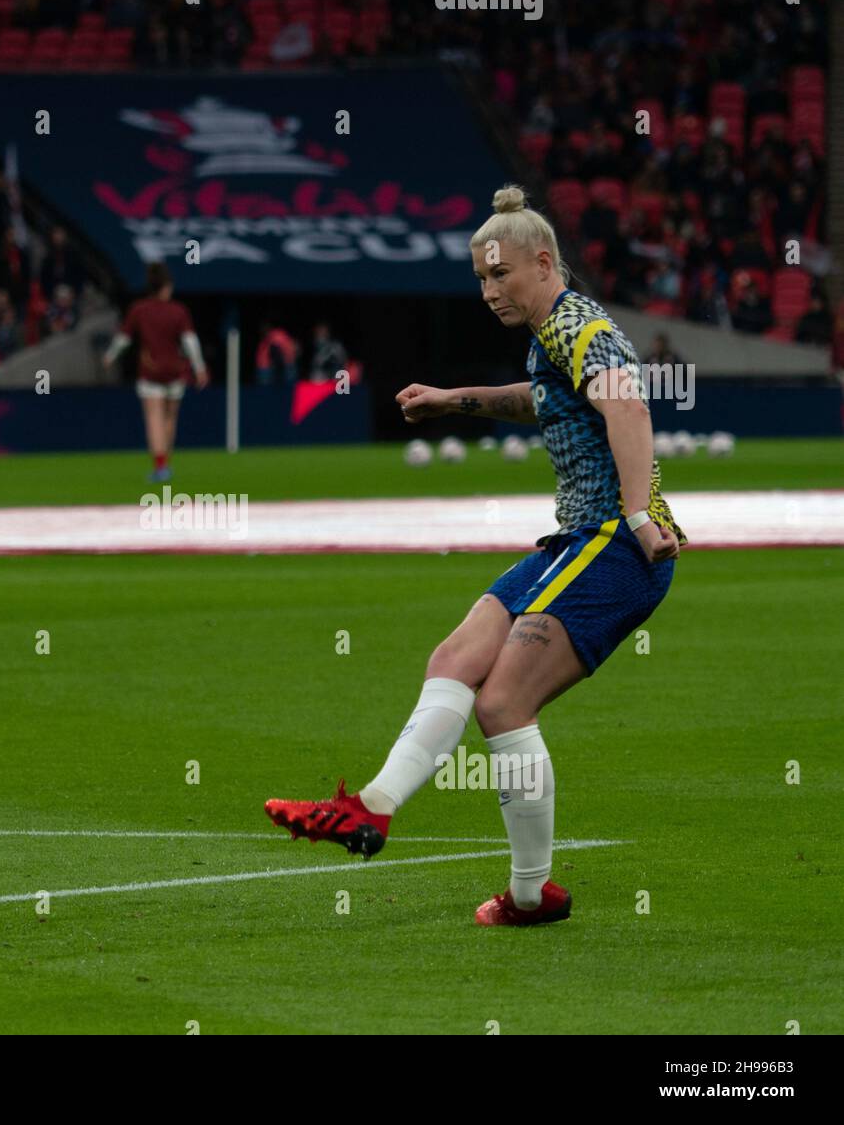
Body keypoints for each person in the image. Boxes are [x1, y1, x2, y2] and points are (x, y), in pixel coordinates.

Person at [266, 184, 686, 926]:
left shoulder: (579, 323)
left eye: (502, 275)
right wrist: (453, 398)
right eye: (481, 278)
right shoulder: (552, 332)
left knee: (501, 702)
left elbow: (627, 405)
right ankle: (372, 810)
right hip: (575, 540)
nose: (490, 291)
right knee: (454, 658)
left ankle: (529, 895)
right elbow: (545, 401)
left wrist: (636, 516)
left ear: (544, 262)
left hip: (616, 545)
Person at [102, 262, 208, 483]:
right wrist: (199, 368)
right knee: (170, 418)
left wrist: (110, 356)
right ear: (167, 286)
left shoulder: (139, 309)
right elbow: (190, 342)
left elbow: (124, 339)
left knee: (154, 419)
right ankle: (165, 464)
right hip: (175, 372)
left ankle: (160, 466)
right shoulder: (179, 311)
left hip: (151, 372)